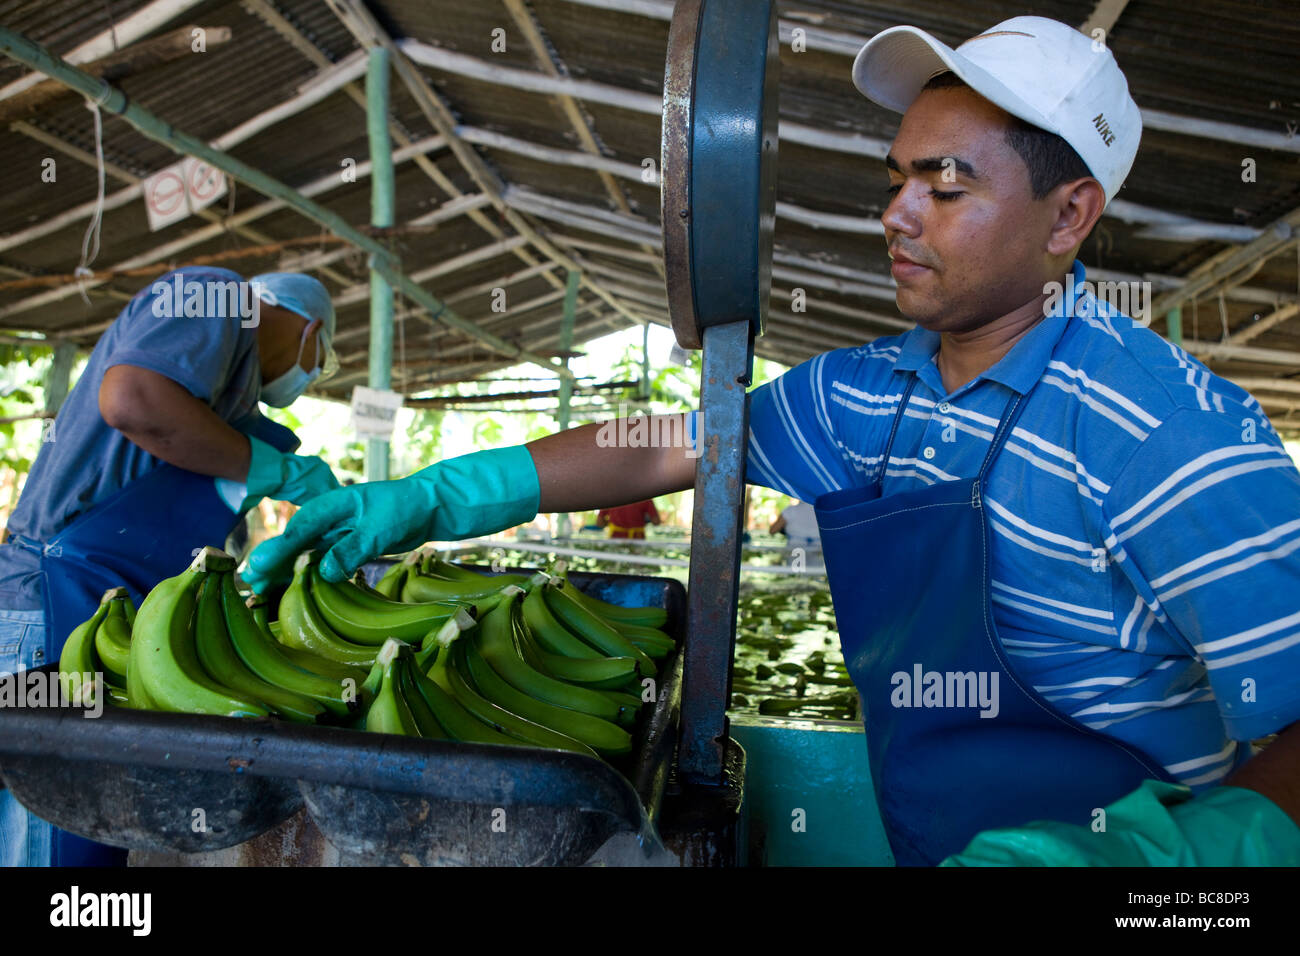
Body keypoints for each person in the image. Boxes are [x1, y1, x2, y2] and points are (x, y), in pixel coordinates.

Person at [246, 17, 1300, 866]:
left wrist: (1166, 855)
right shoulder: (872, 389)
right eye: (894, 179)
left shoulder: (1171, 437)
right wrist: (439, 494)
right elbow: (670, 443)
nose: (896, 212)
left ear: (1068, 217)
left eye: (946, 185)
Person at [0, 268, 341, 867]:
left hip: (99, 622)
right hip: (51, 615)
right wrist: (274, 471)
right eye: (323, 358)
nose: (311, 375)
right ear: (310, 330)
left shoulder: (226, 402)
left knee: (84, 835)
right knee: (53, 846)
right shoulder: (220, 297)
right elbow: (132, 399)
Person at [596, 499, 661, 539]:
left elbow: (599, 523)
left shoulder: (611, 495)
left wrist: (613, 521)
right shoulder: (645, 496)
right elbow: (656, 522)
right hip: (638, 539)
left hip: (616, 538)